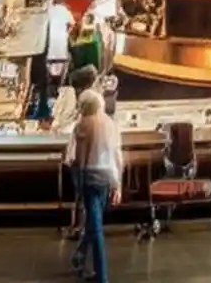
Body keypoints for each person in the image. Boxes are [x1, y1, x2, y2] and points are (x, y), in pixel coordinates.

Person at [72, 89, 123, 283]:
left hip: (90, 179)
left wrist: (78, 184)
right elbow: (118, 156)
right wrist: (118, 184)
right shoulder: (111, 124)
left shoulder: (83, 125)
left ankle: (102, 277)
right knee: (94, 223)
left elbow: (80, 158)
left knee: (96, 228)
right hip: (107, 178)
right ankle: (79, 257)